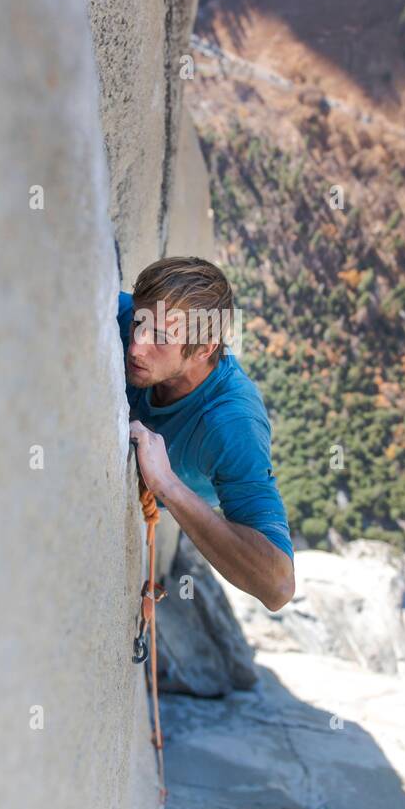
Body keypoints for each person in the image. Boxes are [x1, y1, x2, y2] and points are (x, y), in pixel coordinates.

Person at [119, 255, 295, 612]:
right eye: (139, 323)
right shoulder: (126, 316)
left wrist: (166, 485)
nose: (136, 346)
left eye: (160, 338)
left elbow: (278, 586)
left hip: (181, 478)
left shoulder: (231, 425)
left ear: (204, 349)